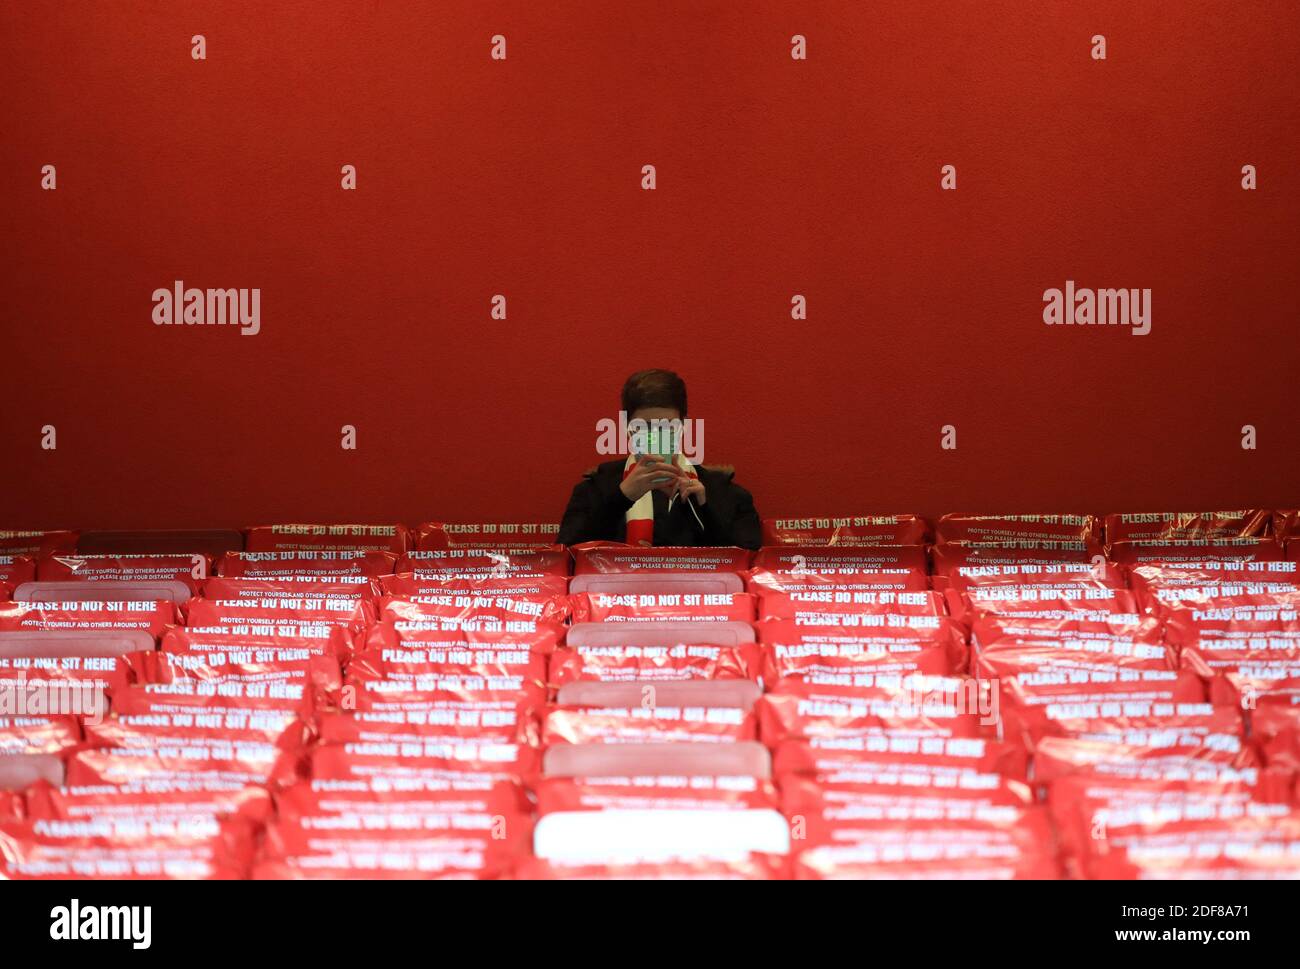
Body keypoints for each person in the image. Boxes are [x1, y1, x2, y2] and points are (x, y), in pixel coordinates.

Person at [557, 369, 761, 549]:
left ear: (683, 427)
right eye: (644, 427)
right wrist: (621, 498)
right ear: (627, 428)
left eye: (667, 426)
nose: (655, 435)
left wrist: (701, 509)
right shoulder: (595, 489)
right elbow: (567, 558)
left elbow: (747, 566)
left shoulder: (724, 492)